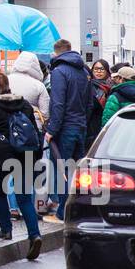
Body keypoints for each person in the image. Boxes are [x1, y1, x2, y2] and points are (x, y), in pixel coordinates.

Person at [0, 69, 43, 260]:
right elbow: (34, 131)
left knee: (0, 193)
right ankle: (34, 234)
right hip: (24, 154)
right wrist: (37, 155)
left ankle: (5, 230)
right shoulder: (24, 104)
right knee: (24, 198)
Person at [46, 39, 92, 222]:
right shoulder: (83, 72)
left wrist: (51, 129)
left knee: (62, 171)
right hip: (80, 126)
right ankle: (77, 211)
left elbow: (58, 103)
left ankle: (62, 212)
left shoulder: (59, 72)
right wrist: (82, 121)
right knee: (76, 173)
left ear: (56, 53)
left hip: (65, 128)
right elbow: (90, 103)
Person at [86, 58, 112, 145]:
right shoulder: (88, 85)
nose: (99, 72)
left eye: (102, 69)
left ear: (107, 71)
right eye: (96, 69)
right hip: (91, 125)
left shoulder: (112, 86)